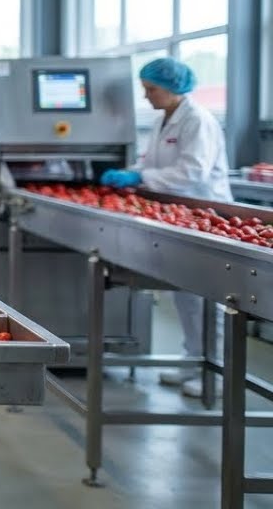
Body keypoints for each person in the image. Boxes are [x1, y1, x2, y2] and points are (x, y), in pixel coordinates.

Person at [100, 57, 230, 398]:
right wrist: (132, 172)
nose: (147, 97)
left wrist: (139, 177)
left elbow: (193, 172)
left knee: (208, 297)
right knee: (184, 291)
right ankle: (192, 360)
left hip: (203, 214)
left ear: (173, 88)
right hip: (175, 214)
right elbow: (151, 163)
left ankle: (216, 370)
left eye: (151, 90)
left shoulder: (197, 121)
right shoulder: (164, 121)